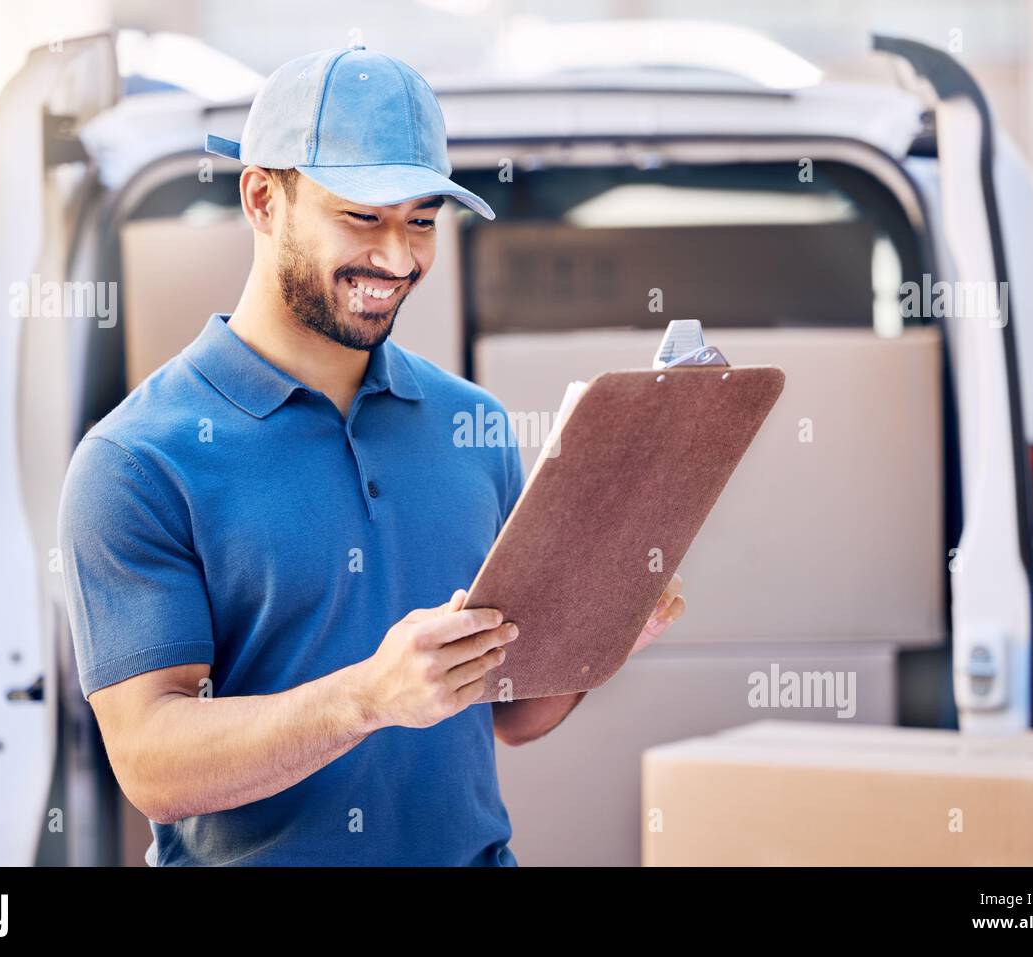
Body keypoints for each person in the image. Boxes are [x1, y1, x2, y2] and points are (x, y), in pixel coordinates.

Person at [57, 43, 686, 866]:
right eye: (362, 215)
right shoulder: (137, 462)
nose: (398, 258)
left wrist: (607, 628)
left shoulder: (473, 425)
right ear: (262, 198)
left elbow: (509, 713)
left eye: (421, 220)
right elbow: (152, 763)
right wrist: (368, 697)